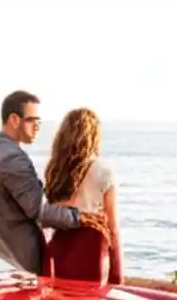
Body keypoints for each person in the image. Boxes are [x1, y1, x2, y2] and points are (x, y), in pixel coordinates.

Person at [0, 90, 82, 274]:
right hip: (26, 265)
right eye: (32, 120)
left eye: (39, 121)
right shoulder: (13, 158)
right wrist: (81, 217)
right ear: (14, 119)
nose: (38, 126)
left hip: (1, 256)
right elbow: (40, 211)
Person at [42, 108, 123, 284]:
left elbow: (48, 217)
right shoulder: (104, 170)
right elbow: (113, 228)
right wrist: (117, 275)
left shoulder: (55, 171)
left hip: (60, 248)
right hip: (91, 249)